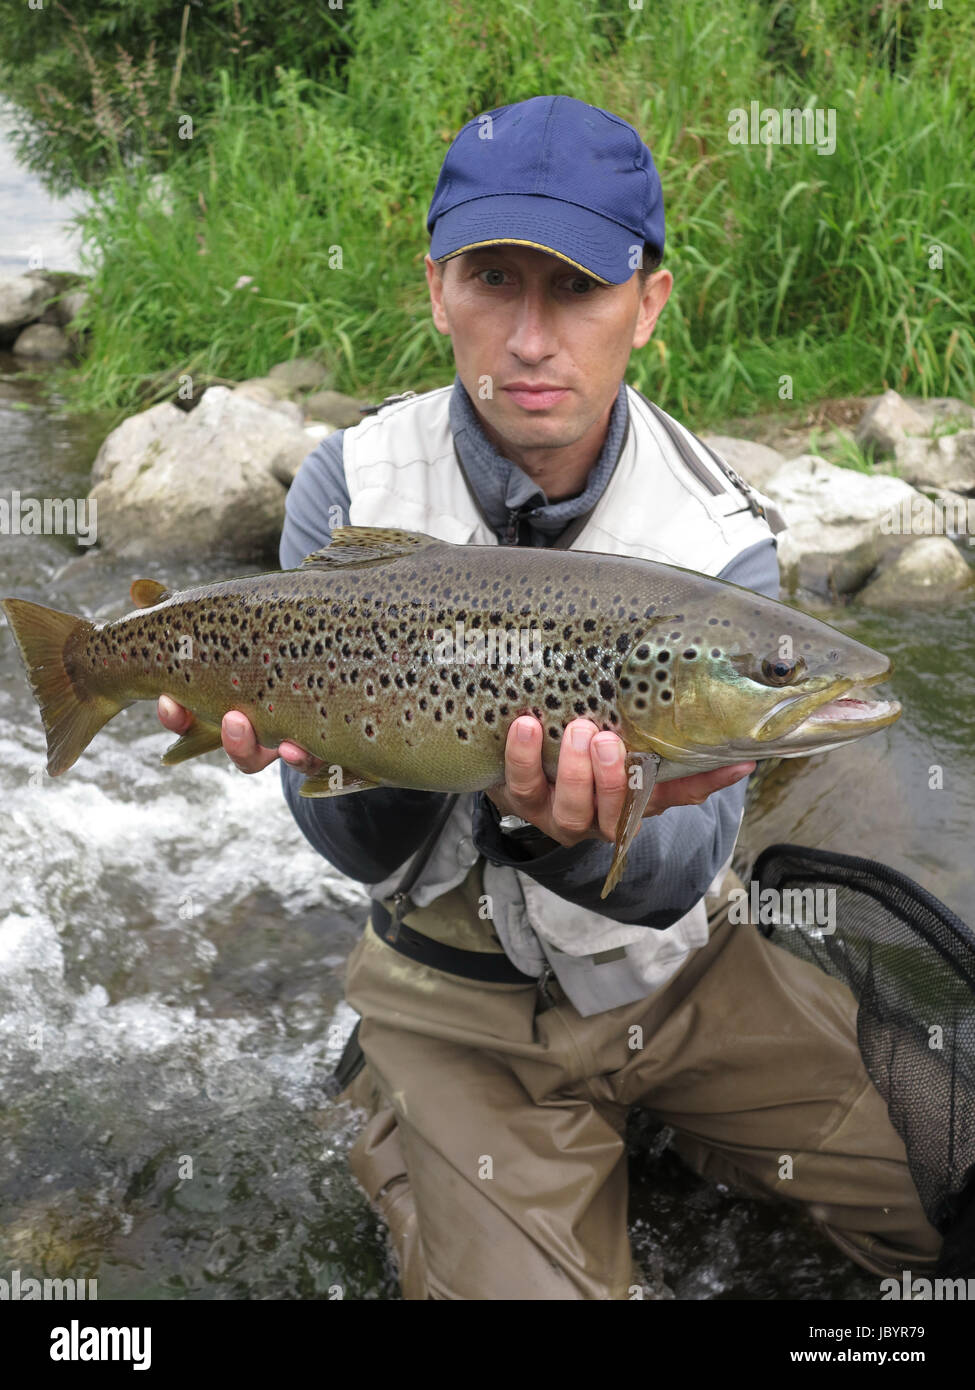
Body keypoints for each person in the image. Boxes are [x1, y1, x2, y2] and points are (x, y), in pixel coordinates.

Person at [158, 94, 942, 1298]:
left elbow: (685, 866)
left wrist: (578, 841)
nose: (531, 339)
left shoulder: (719, 534)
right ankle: (405, 1120)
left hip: (681, 981)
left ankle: (650, 1130)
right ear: (437, 291)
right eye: (494, 281)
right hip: (451, 997)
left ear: (648, 304)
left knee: (936, 1196)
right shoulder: (350, 480)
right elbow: (349, 841)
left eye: (576, 290)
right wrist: (326, 752)